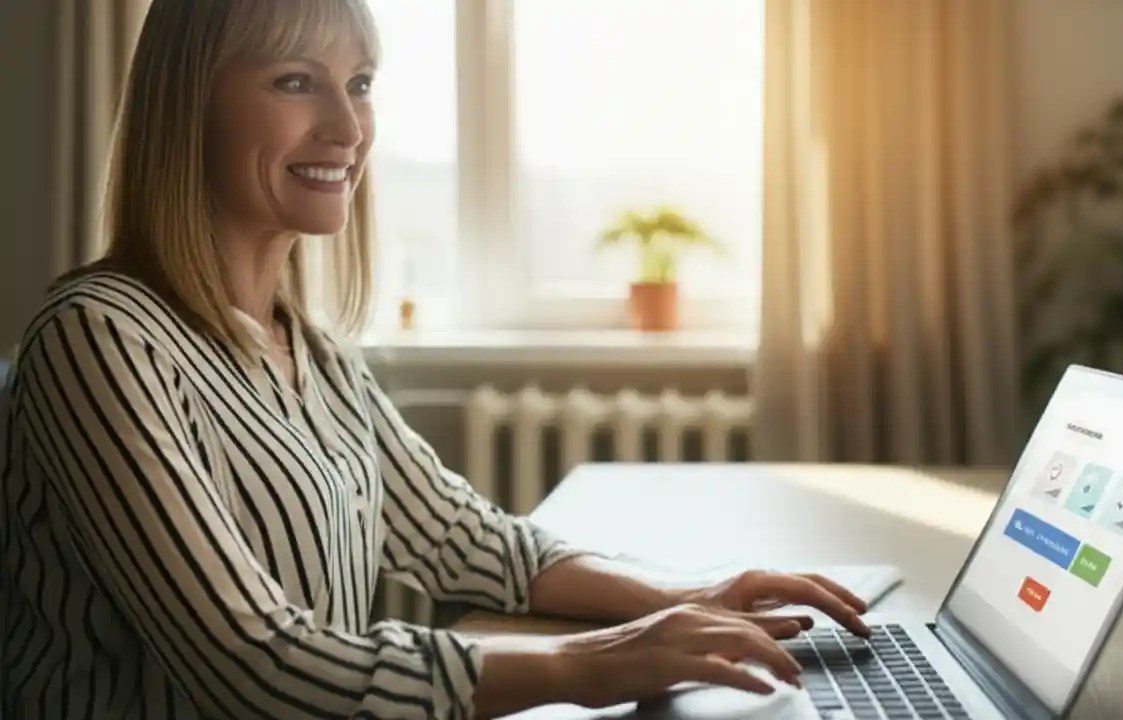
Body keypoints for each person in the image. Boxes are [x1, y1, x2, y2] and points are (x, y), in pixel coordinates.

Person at [0, 1, 869, 718]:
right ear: (189, 103)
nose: (347, 126)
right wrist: (594, 664)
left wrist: (692, 597)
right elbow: (257, 666)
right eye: (295, 82)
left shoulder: (311, 351)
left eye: (361, 84)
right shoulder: (100, 339)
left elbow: (474, 546)